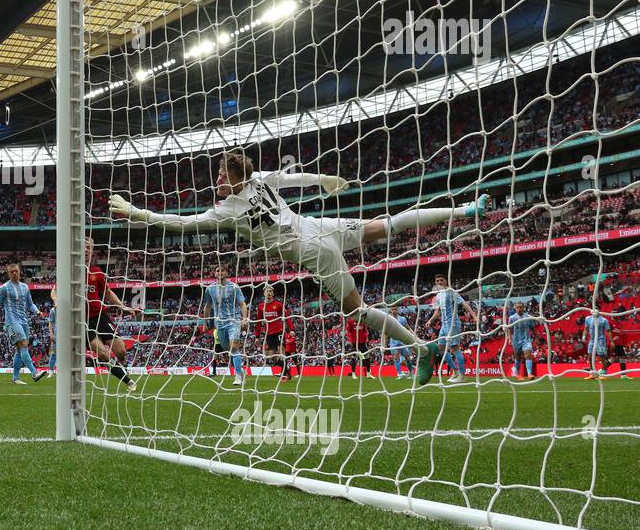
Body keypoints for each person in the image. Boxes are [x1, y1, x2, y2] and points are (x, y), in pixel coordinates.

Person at [110, 150, 491, 386]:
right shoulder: (259, 180)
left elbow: (180, 223)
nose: (218, 180)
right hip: (318, 225)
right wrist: (323, 180)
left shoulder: (226, 210)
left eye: (222, 175)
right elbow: (293, 178)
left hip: (312, 250)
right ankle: (466, 211)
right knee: (385, 224)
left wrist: (135, 212)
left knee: (355, 309)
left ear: (235, 177)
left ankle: (421, 348)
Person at [84, 237, 140, 392]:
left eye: (89, 247)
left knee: (121, 350)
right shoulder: (70, 272)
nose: (86, 250)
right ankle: (127, 381)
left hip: (100, 317)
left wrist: (123, 307)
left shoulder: (97, 273)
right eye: (83, 247)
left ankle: (123, 364)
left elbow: (108, 293)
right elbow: (55, 290)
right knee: (103, 354)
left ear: (92, 251)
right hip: (82, 321)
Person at [0, 264, 46, 385]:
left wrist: (37, 311)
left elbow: (30, 304)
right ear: (8, 273)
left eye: (16, 271)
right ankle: (34, 372)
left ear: (20, 272)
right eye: (12, 272)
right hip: (12, 322)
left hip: (24, 321)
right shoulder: (4, 288)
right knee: (23, 345)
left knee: (20, 350)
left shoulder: (25, 287)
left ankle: (15, 378)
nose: (14, 273)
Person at [427, 275, 481, 384]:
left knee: (455, 349)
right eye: (437, 281)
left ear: (446, 281)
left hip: (453, 324)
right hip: (444, 325)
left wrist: (474, 316)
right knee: (440, 349)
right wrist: (430, 320)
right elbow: (438, 311)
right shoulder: (438, 296)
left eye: (441, 280)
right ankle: (455, 371)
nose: (440, 282)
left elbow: (464, 304)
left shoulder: (451, 292)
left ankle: (462, 375)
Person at [206, 265, 249, 386]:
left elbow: (242, 304)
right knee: (227, 349)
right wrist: (205, 323)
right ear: (214, 273)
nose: (220, 272)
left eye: (222, 270)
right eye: (217, 270)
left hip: (234, 320)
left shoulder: (234, 287)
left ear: (227, 273)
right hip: (220, 323)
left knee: (234, 347)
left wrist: (245, 319)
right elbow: (207, 306)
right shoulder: (210, 289)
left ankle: (238, 376)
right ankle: (240, 370)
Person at [507, 301, 536, 380]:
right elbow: (509, 329)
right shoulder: (512, 318)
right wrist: (509, 338)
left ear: (523, 308)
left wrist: (536, 336)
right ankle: (517, 374)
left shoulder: (528, 317)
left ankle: (529, 374)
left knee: (528, 354)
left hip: (526, 340)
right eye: (517, 307)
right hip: (516, 340)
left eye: (520, 307)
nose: (519, 309)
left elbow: (533, 328)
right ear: (515, 308)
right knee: (518, 357)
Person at [583, 307, 611, 378]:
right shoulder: (588, 318)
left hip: (600, 340)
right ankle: (592, 373)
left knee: (602, 357)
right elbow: (586, 328)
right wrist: (584, 336)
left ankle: (604, 373)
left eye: (596, 309)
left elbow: (608, 330)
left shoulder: (604, 320)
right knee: (590, 357)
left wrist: (611, 341)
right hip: (592, 340)